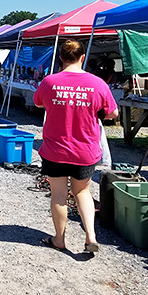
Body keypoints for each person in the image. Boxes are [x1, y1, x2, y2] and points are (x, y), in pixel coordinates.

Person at [33, 40, 118, 254]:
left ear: (61, 58)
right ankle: (90, 236)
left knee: (59, 195)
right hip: (85, 150)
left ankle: (59, 239)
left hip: (56, 150)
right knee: (83, 191)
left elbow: (38, 103)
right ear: (82, 58)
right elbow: (113, 113)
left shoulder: (50, 82)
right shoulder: (98, 83)